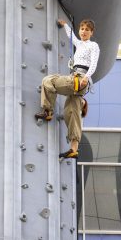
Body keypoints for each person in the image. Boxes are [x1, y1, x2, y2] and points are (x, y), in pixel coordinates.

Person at [35, 17, 99, 161]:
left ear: (91, 32)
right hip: (77, 80)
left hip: (80, 78)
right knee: (72, 113)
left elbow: (94, 64)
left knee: (48, 80)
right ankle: (73, 150)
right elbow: (72, 36)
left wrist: (86, 77)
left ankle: (48, 111)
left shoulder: (93, 46)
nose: (83, 32)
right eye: (82, 29)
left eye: (87, 30)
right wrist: (64, 24)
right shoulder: (80, 44)